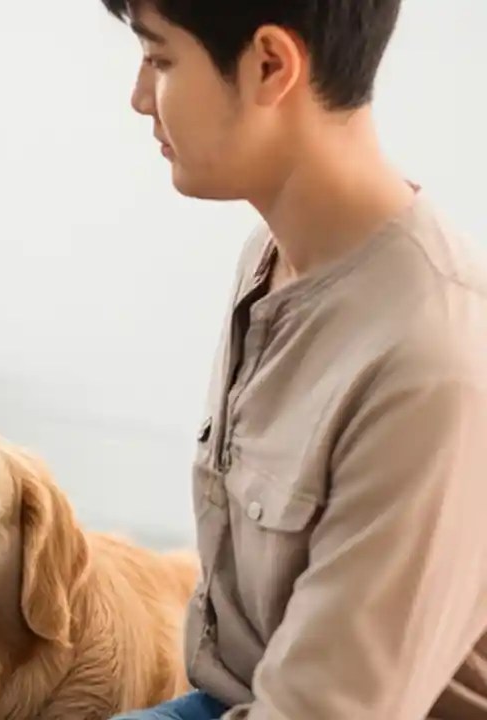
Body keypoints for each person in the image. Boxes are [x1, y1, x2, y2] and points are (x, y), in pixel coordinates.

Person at [95, 1, 487, 719]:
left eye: (159, 59)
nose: (139, 96)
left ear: (271, 65)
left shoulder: (430, 362)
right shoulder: (275, 259)